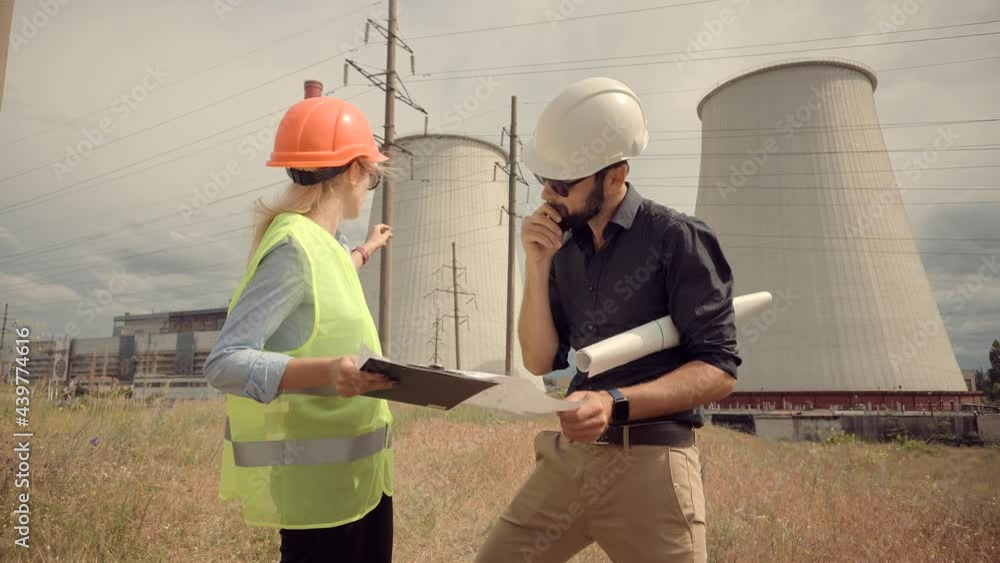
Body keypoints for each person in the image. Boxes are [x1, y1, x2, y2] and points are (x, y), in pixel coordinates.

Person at [474, 77, 741, 563]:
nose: (549, 196)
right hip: (568, 461)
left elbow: (718, 371)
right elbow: (538, 360)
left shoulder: (677, 240)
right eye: (544, 182)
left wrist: (614, 402)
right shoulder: (561, 249)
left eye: (563, 184)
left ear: (616, 175)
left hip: (652, 468)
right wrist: (535, 265)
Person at [203, 95, 399, 563]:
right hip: (318, 501)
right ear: (353, 170)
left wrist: (367, 248)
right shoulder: (294, 247)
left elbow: (329, 281)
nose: (369, 184)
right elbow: (224, 363)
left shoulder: (326, 244)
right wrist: (328, 371)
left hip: (363, 484)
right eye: (370, 172)